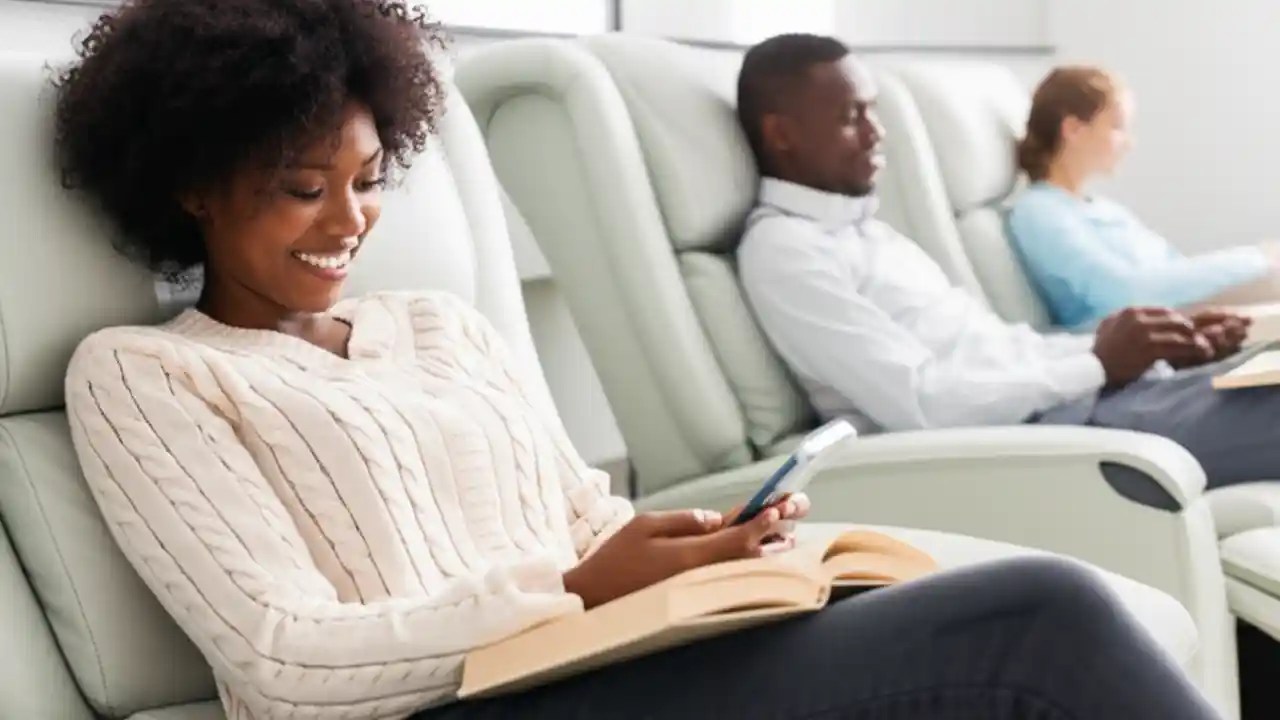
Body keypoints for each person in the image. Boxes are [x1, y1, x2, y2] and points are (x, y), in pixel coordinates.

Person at [56, 5, 1216, 718]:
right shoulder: (148, 376)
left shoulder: (438, 327)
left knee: (974, 607)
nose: (349, 220)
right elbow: (282, 663)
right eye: (304, 188)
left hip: (595, 660)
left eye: (366, 182)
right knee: (1038, 618)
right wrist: (569, 591)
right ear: (191, 185)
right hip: (461, 701)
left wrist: (691, 551)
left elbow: (583, 517)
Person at [736, 33, 1279, 490]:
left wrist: (1160, 345)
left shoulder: (871, 234)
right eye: (850, 117)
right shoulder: (787, 252)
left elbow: (1004, 349)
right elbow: (924, 403)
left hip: (1086, 399)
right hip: (1053, 437)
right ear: (782, 134)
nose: (876, 133)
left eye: (872, 111)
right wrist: (1098, 363)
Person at [1006, 65, 1280, 329]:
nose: (1129, 142)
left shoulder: (1103, 210)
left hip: (1188, 309)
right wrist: (1258, 258)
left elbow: (1177, 270)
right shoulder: (1040, 212)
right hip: (1153, 327)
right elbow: (1126, 294)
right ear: (1074, 129)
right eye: (1117, 127)